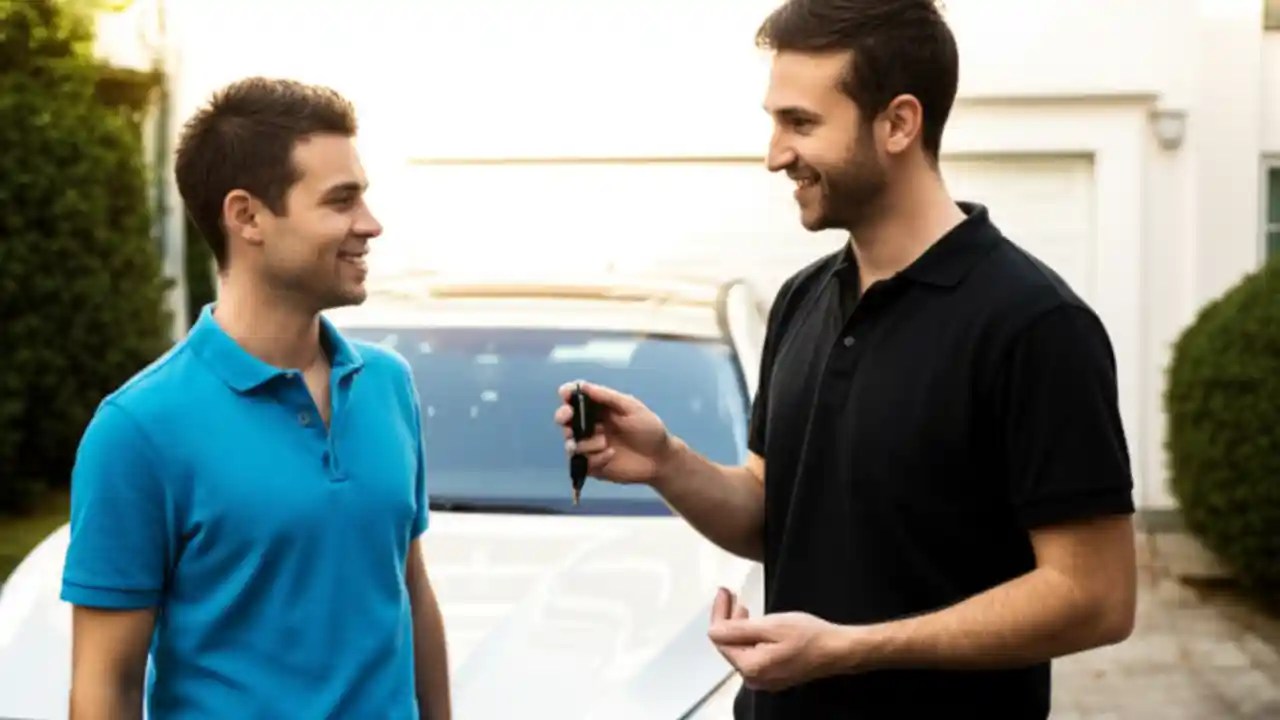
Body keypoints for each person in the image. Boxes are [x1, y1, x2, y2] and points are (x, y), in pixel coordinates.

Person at [553, 0, 1137, 717]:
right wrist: (667, 463)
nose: (774, 154)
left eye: (801, 124)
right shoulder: (803, 300)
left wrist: (849, 648)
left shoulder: (1034, 324)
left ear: (898, 123)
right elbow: (775, 514)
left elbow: (1096, 596)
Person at [61, 77, 451, 719]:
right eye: (340, 201)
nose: (370, 225)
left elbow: (409, 592)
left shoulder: (388, 385)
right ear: (247, 217)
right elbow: (106, 683)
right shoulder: (138, 429)